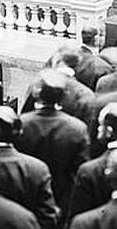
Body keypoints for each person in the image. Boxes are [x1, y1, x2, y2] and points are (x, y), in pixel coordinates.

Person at [17, 70, 89, 218]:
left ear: (37, 94)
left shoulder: (21, 124)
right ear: (63, 96)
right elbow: (79, 172)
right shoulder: (78, 129)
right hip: (61, 199)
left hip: (25, 198)